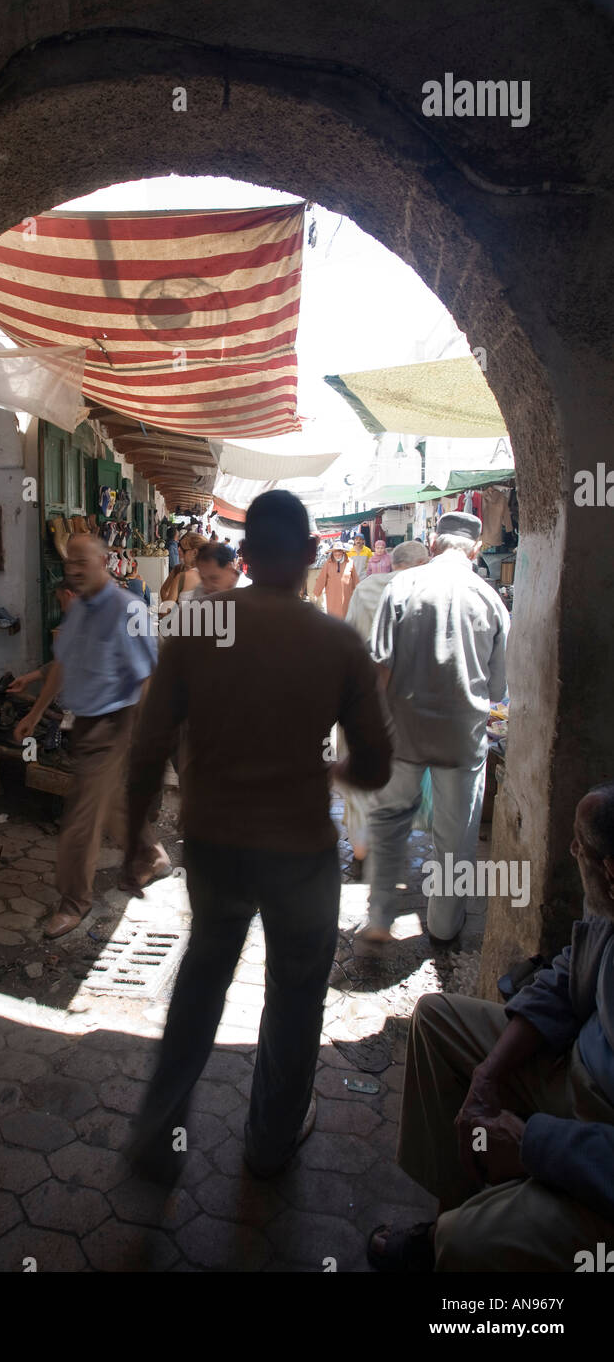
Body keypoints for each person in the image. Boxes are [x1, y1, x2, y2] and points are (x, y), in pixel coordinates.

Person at [122, 490, 393, 1183]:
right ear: (310, 554)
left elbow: (149, 744)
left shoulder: (197, 623)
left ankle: (157, 1137)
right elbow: (376, 764)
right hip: (300, 849)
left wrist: (135, 836)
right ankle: (269, 1143)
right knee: (296, 995)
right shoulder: (337, 642)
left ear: (242, 557)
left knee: (203, 979)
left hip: (214, 840)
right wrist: (329, 765)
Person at [369, 784, 614, 1272]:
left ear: (610, 870)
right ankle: (453, 1203)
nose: (571, 853)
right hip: (574, 1071)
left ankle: (452, 1238)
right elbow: (568, 974)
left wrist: (530, 1144)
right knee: (435, 1019)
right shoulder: (608, 903)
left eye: (579, 846)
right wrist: (489, 1071)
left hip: (601, 1139)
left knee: (468, 1244)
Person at [361, 511, 509, 944]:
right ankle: (445, 927)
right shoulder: (491, 598)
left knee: (389, 823)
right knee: (456, 837)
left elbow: (380, 667)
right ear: (476, 550)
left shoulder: (401, 586)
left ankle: (379, 919)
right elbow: (498, 686)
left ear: (435, 542)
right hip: (463, 740)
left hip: (402, 732)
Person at [14, 534, 169, 938]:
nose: (75, 571)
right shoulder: (79, 607)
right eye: (70, 565)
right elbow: (64, 664)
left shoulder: (127, 608)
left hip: (117, 721)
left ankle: (74, 901)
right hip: (83, 720)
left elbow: (150, 675)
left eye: (83, 562)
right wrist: (34, 711)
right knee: (108, 800)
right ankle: (150, 855)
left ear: (104, 560)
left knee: (81, 814)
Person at [338, 540, 430, 876]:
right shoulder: (426, 593)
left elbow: (348, 641)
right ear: (423, 562)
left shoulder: (366, 589)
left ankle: (362, 851)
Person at [159, 531, 207, 607]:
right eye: (178, 546)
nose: (178, 550)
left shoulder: (206, 575)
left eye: (183, 549)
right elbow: (164, 590)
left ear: (194, 553)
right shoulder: (178, 569)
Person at [313, 542, 358, 618]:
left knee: (346, 614)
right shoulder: (328, 563)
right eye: (335, 553)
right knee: (333, 616)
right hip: (332, 595)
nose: (337, 555)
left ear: (343, 552)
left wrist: (358, 593)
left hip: (346, 594)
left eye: (339, 553)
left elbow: (355, 578)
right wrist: (316, 592)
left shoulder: (350, 562)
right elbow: (322, 578)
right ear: (332, 553)